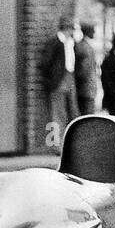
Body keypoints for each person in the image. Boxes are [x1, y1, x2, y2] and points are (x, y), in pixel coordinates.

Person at [41, 16, 80, 145]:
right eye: (71, 29)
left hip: (70, 78)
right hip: (58, 80)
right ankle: (55, 143)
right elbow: (46, 63)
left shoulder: (70, 43)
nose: (72, 32)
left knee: (72, 111)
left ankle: (68, 142)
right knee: (57, 114)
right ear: (66, 29)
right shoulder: (54, 43)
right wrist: (52, 79)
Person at [75, 23, 100, 115]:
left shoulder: (84, 45)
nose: (94, 33)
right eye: (93, 30)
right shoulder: (84, 47)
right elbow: (84, 69)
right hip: (86, 88)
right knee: (87, 114)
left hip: (87, 88)